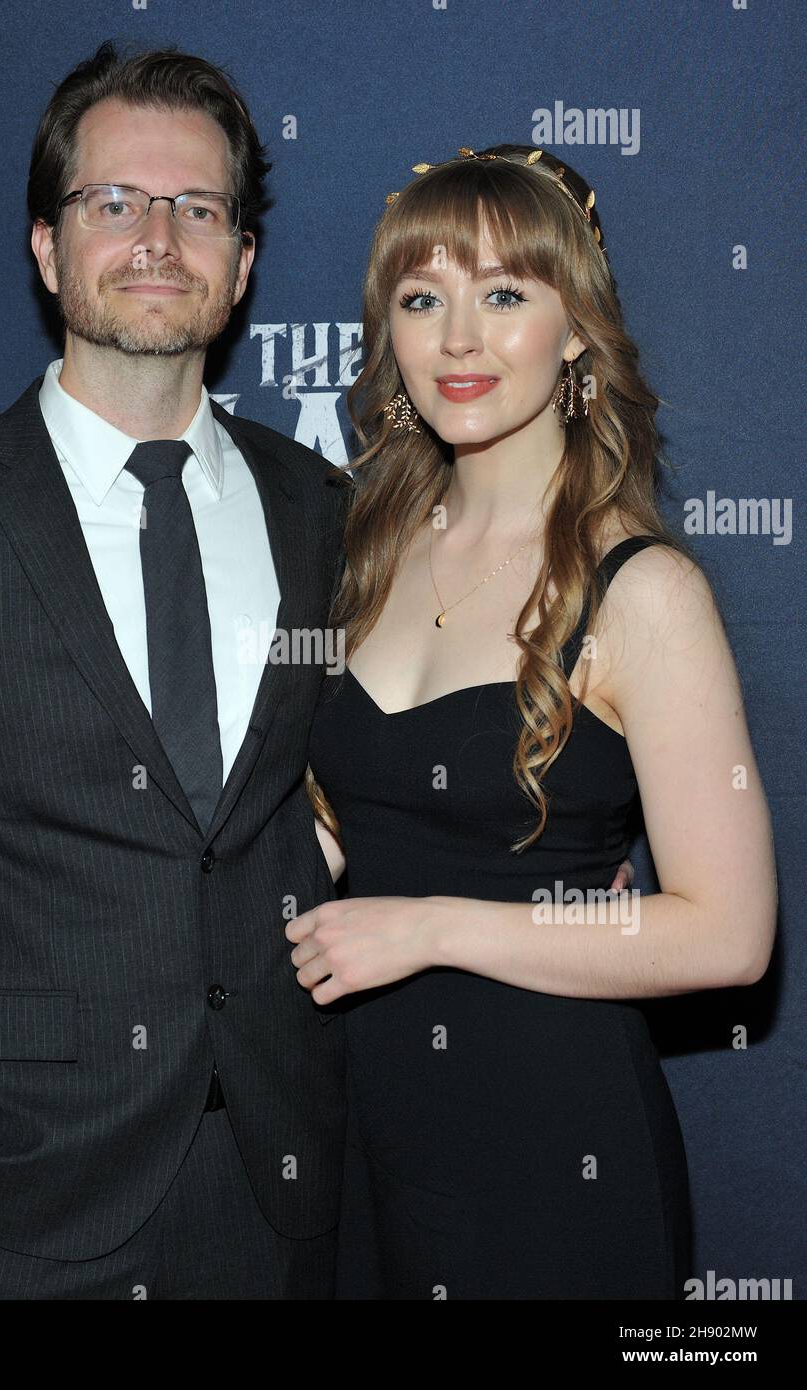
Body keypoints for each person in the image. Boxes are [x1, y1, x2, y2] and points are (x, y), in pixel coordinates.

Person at [0, 43, 348, 1299]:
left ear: (243, 261)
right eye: (116, 203)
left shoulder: (324, 509)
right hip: (7, 1214)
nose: (159, 237)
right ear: (48, 247)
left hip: (288, 1199)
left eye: (198, 208)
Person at [297, 145, 777, 1299]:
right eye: (424, 298)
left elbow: (729, 936)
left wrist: (433, 926)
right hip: (359, 1131)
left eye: (504, 293)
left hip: (554, 1147)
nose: (459, 338)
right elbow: (317, 841)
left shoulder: (640, 588)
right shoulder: (361, 556)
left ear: (575, 333)